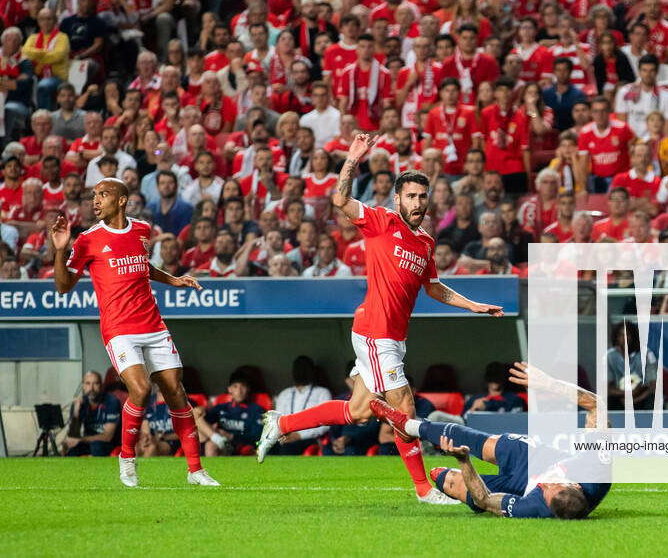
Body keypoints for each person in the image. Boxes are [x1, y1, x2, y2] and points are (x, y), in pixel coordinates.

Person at [256, 134, 503, 504]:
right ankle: (423, 489)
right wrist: (353, 159)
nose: (419, 203)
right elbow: (339, 200)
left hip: (393, 337)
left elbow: (434, 288)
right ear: (398, 198)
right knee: (404, 406)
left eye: (423, 196)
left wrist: (473, 305)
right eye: (412, 196)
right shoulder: (380, 221)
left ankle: (281, 423)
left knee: (356, 411)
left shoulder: (426, 242)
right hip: (375, 332)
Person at [48, 177, 219, 487]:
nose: (96, 201)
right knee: (139, 390)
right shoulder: (88, 239)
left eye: (103, 194)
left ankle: (196, 470)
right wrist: (60, 251)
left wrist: (174, 280)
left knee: (177, 394)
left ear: (122, 200)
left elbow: (142, 266)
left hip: (153, 325)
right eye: (94, 195)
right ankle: (127, 460)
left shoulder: (142, 230)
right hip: (119, 329)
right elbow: (63, 286)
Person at [370, 361, 611, 519]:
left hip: (520, 490)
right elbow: (596, 405)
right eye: (554, 483)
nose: (546, 484)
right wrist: (549, 384)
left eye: (546, 490)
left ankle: (449, 474)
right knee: (485, 444)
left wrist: (464, 461)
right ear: (577, 484)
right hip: (536, 458)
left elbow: (485, 500)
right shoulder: (596, 468)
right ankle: (407, 425)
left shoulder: (532, 507)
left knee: (445, 480)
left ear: (546, 506)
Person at [270, 355, 332, 455]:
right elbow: (277, 421)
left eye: (305, 369)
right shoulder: (285, 393)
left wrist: (299, 435)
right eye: (298, 369)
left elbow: (326, 424)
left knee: (287, 449)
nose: (301, 372)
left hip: (309, 437)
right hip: (285, 436)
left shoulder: (322, 393)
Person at [195, 373, 264, 456]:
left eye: (243, 386)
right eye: (235, 386)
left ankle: (218, 440)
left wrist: (230, 436)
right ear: (229, 389)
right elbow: (199, 421)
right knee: (196, 415)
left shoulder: (256, 410)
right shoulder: (221, 408)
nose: (239, 391)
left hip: (243, 444)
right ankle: (218, 439)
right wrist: (202, 409)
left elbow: (258, 436)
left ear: (248, 389)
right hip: (224, 443)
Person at [62, 371, 120, 456]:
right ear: (83, 386)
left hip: (108, 443)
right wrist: (76, 412)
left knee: (96, 446)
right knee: (72, 451)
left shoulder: (111, 401)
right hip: (88, 442)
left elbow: (108, 437)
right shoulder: (81, 402)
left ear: (101, 385)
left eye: (95, 384)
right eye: (88, 384)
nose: (91, 388)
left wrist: (81, 440)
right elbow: (73, 435)